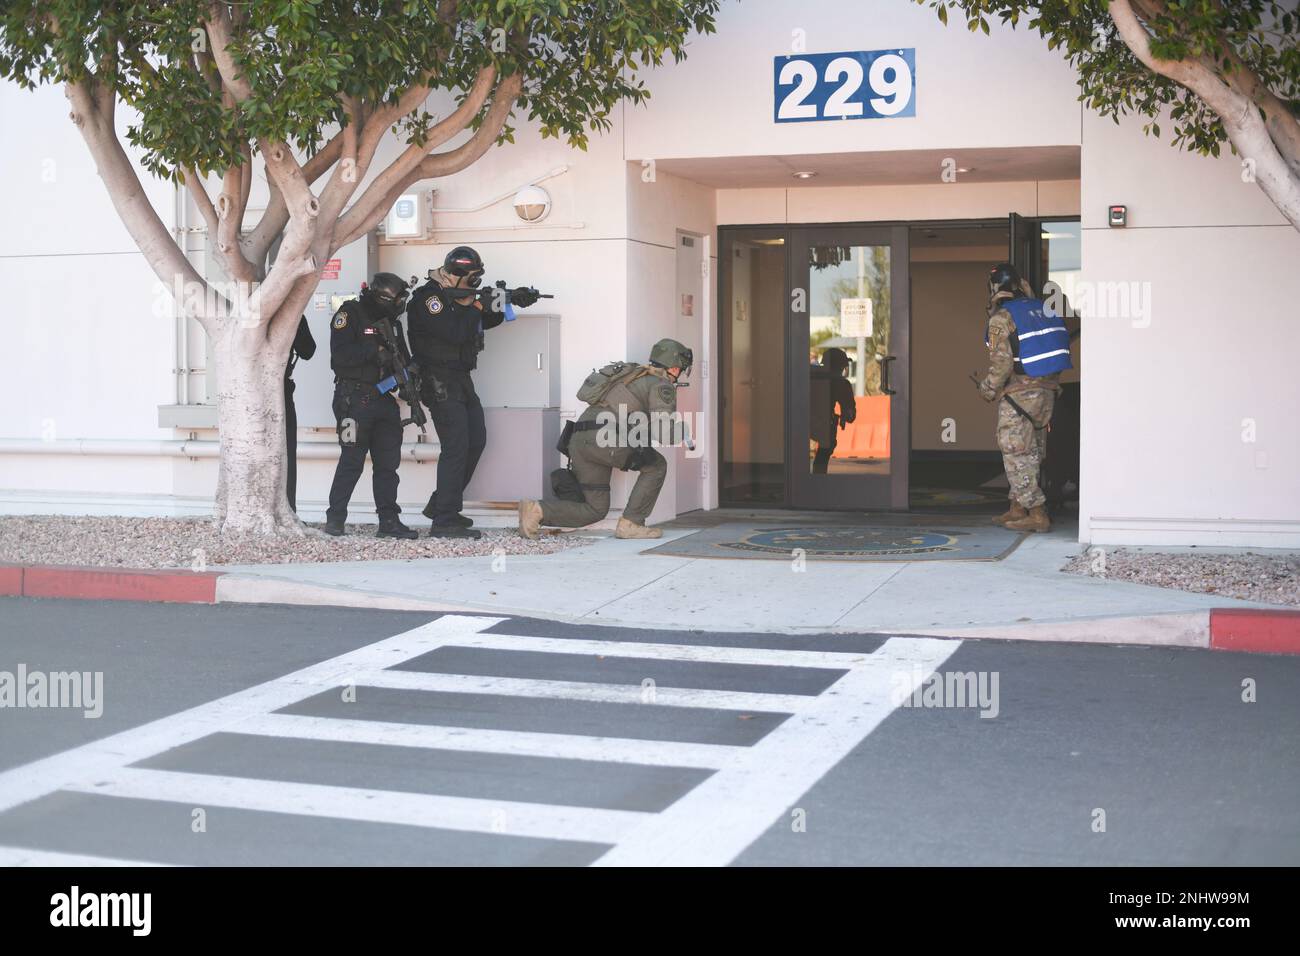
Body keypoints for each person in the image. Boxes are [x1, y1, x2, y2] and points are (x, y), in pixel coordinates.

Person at [407, 246, 540, 539]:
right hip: (438, 380)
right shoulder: (429, 299)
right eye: (472, 278)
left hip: (461, 379)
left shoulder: (461, 297)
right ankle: (444, 521)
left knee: (476, 441)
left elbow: (477, 325)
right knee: (455, 447)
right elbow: (454, 331)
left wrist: (507, 302)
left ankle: (443, 504)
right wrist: (479, 305)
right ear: (456, 275)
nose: (474, 284)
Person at [518, 338, 693, 540]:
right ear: (673, 367)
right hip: (606, 438)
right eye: (681, 368)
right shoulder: (662, 385)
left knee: (595, 509)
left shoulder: (631, 375)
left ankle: (536, 511)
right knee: (657, 465)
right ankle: (632, 524)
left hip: (579, 438)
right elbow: (662, 431)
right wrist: (682, 430)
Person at [976, 262, 1072, 533]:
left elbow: (1002, 364)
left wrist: (988, 388)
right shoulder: (1043, 309)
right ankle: (1017, 508)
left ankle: (1037, 513)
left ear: (994, 288)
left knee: (1016, 450)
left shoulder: (1002, 318)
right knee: (1033, 450)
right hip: (1047, 391)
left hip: (1019, 395)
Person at [323, 273, 420, 539]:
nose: (400, 305)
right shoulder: (350, 314)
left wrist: (409, 376)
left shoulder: (391, 323)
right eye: (396, 300)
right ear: (382, 297)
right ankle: (335, 519)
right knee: (351, 460)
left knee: (388, 465)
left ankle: (389, 521)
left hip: (384, 401)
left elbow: (402, 357)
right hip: (352, 400)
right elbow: (339, 357)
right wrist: (374, 353)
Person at [283, 315, 316, 512]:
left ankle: (287, 510)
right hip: (280, 389)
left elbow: (307, 351)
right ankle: (288, 508)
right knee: (286, 451)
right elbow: (308, 350)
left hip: (252, 390)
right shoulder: (292, 313)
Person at [810, 347, 856, 474]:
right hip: (822, 423)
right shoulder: (841, 383)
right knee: (828, 443)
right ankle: (819, 475)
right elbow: (850, 413)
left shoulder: (809, 376)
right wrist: (844, 416)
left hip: (800, 420)